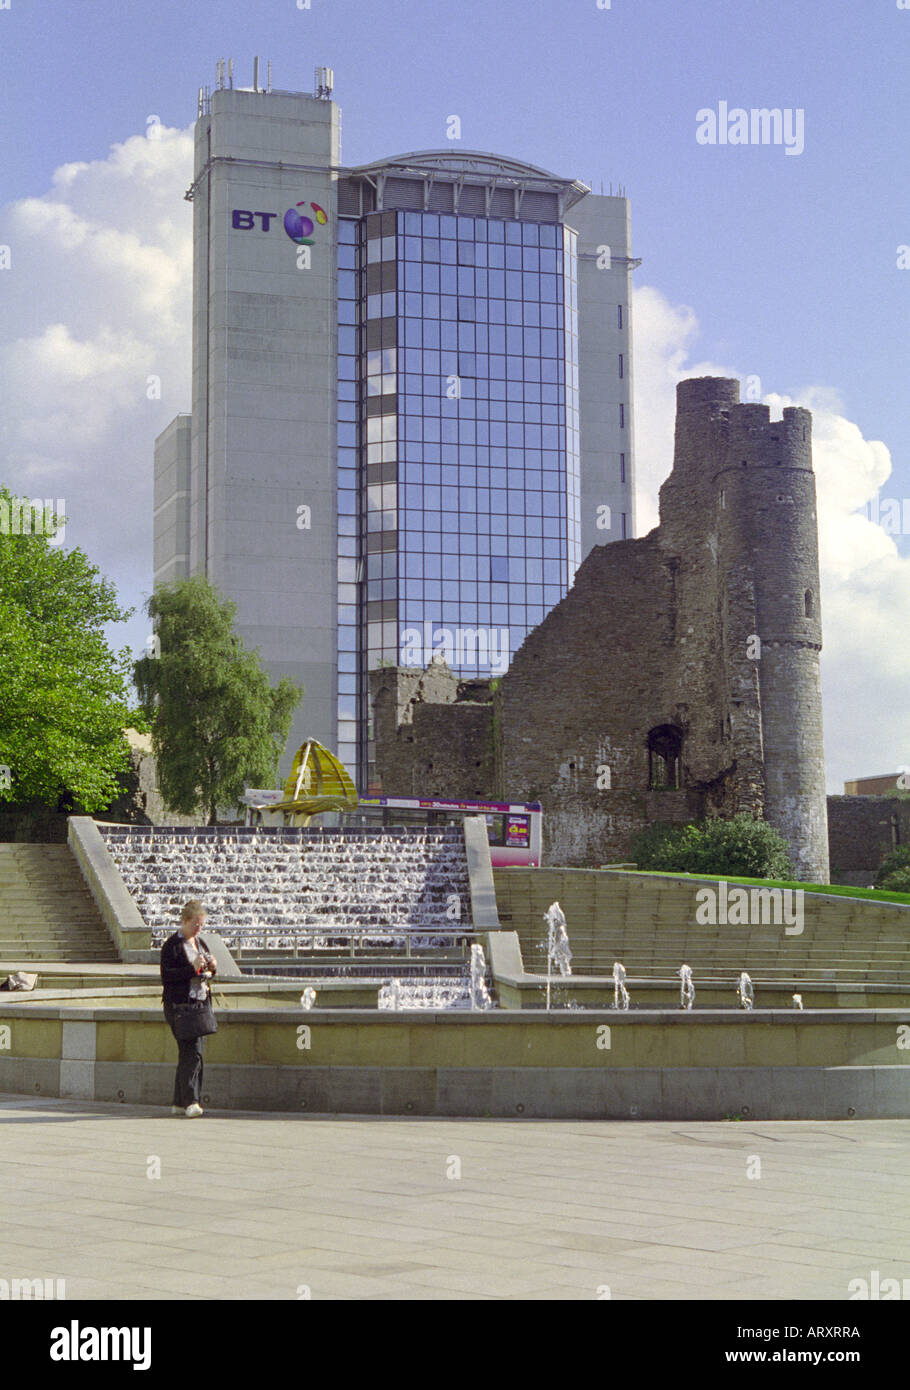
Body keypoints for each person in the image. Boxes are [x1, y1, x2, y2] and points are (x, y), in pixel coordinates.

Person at [160, 900, 217, 1117]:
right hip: (180, 1008)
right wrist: (191, 969)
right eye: (195, 924)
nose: (199, 929)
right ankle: (192, 1101)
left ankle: (178, 1102)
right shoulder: (172, 946)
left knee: (188, 1053)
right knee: (193, 1053)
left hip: (199, 1005)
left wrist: (212, 968)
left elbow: (205, 975)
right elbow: (167, 977)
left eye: (201, 925)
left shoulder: (200, 944)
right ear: (184, 921)